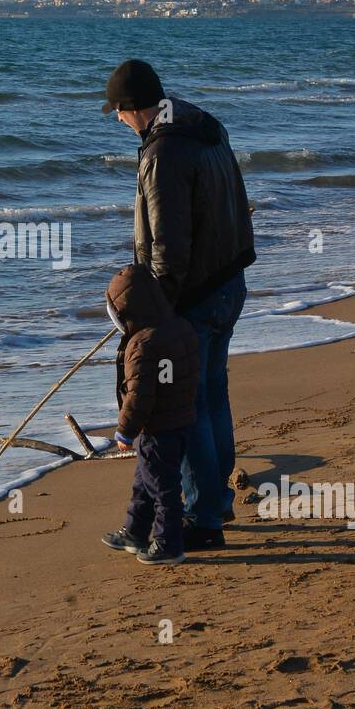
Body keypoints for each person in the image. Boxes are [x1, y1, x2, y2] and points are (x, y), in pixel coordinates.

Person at [102, 58, 255, 551]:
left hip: (192, 297)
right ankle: (215, 503)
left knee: (183, 409)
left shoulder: (164, 153)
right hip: (229, 282)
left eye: (119, 113)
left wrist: (155, 312)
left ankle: (202, 517)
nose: (119, 121)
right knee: (211, 395)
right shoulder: (203, 125)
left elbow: (167, 243)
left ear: (133, 109)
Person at [101, 264, 200, 565]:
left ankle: (169, 544)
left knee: (162, 488)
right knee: (145, 481)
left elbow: (140, 395)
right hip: (181, 419)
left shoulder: (142, 345)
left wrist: (125, 431)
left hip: (158, 428)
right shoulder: (181, 327)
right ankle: (135, 530)